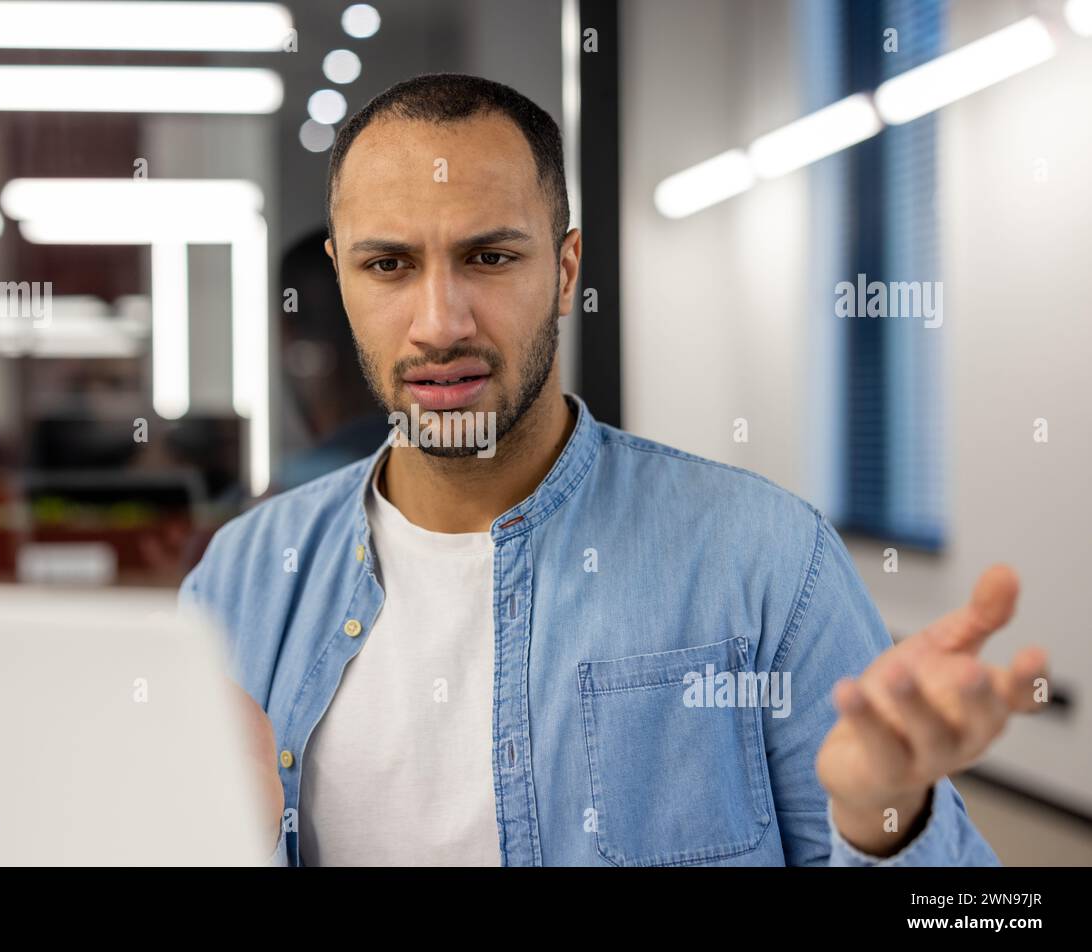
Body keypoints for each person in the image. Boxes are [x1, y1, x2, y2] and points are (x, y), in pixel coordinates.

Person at [180, 73, 1048, 867]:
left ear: (564, 270)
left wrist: (886, 819)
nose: (439, 322)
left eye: (489, 257)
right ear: (341, 281)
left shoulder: (765, 559)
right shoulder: (242, 584)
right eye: (389, 264)